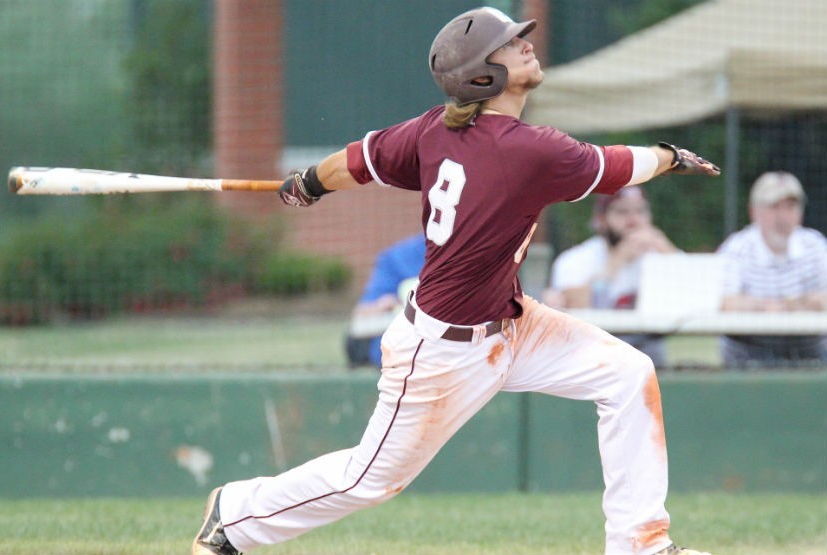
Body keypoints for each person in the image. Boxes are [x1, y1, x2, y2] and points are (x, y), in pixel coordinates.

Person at [193, 7, 720, 555]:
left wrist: (308, 183)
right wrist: (670, 156)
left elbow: (354, 162)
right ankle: (236, 516)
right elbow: (617, 165)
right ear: (481, 75)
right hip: (441, 350)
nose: (525, 45)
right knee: (368, 479)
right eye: (510, 43)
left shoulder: (433, 130)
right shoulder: (527, 148)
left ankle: (642, 545)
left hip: (513, 325)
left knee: (627, 374)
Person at [544, 186, 678, 368]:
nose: (633, 220)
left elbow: (702, 294)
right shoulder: (576, 259)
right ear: (601, 219)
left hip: (650, 356)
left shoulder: (660, 255)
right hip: (591, 357)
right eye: (622, 211)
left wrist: (669, 252)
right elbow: (576, 305)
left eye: (640, 211)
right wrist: (617, 260)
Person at [717, 171, 827, 367]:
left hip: (810, 350)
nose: (783, 216)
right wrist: (796, 304)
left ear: (800, 212)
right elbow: (726, 303)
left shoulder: (816, 245)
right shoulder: (736, 249)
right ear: (753, 211)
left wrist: (766, 306)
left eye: (790, 207)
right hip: (749, 350)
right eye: (774, 207)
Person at [346, 232, 426, 368]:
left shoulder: (471, 254)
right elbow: (361, 313)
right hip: (404, 354)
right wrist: (385, 305)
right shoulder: (399, 257)